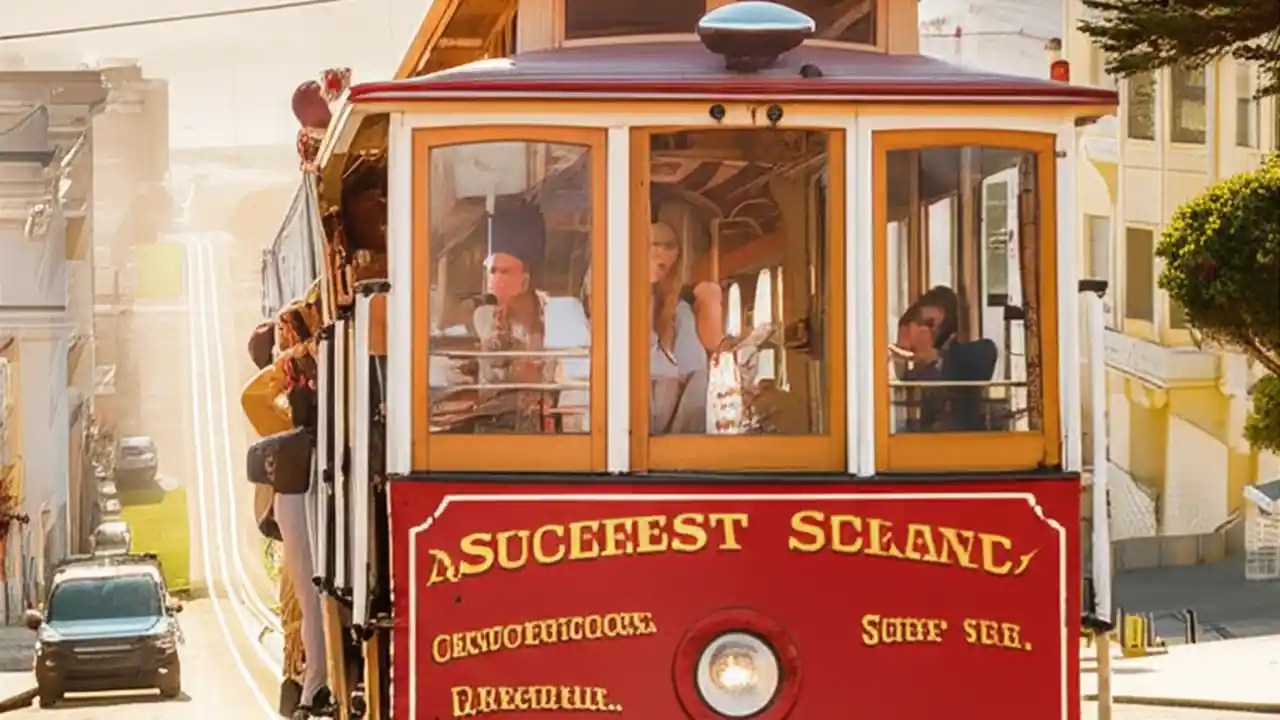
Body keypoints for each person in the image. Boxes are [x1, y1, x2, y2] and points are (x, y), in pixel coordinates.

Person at [471, 201, 555, 433]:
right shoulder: (483, 318)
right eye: (492, 271)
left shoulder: (553, 316)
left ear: (526, 279)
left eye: (504, 272)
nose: (494, 279)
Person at [650, 220, 724, 434]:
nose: (660, 252)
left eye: (669, 245)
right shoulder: (610, 303)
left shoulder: (679, 311)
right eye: (654, 244)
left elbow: (696, 370)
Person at [894, 286, 997, 432]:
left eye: (930, 323)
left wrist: (938, 357)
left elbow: (985, 353)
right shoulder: (918, 373)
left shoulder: (967, 358)